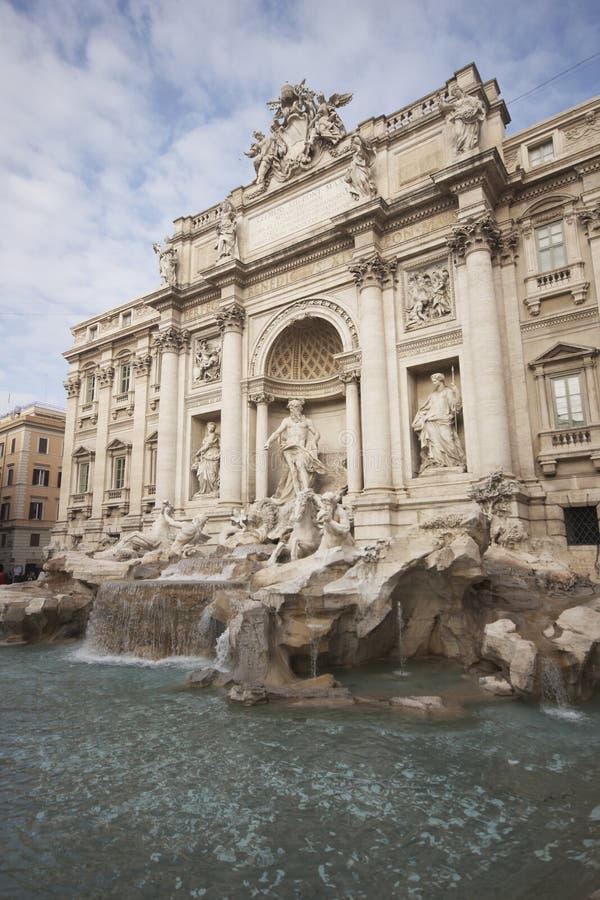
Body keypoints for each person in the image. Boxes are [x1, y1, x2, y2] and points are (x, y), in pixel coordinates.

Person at [264, 399, 327, 500]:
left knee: (300, 465)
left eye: (296, 406)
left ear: (301, 408)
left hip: (301, 448)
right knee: (292, 470)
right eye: (291, 407)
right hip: (288, 448)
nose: (293, 409)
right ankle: (297, 493)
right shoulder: (286, 421)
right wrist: (268, 442)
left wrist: (313, 441)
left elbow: (317, 434)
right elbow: (277, 432)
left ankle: (306, 490)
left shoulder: (307, 421)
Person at [412, 373, 466, 473]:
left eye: (435, 381)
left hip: (444, 420)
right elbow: (424, 409)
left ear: (441, 380)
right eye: (432, 381)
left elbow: (456, 407)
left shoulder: (448, 392)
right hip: (431, 421)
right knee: (434, 444)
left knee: (448, 440)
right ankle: (436, 462)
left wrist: (457, 392)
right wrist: (422, 417)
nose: (433, 383)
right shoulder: (432, 395)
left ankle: (454, 462)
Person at [192, 423, 220, 495]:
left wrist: (199, 451)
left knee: (212, 474)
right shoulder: (206, 437)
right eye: (210, 427)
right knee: (202, 472)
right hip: (205, 456)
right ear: (208, 427)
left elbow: (208, 444)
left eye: (213, 427)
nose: (212, 428)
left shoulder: (212, 435)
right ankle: (203, 490)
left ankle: (213, 490)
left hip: (213, 454)